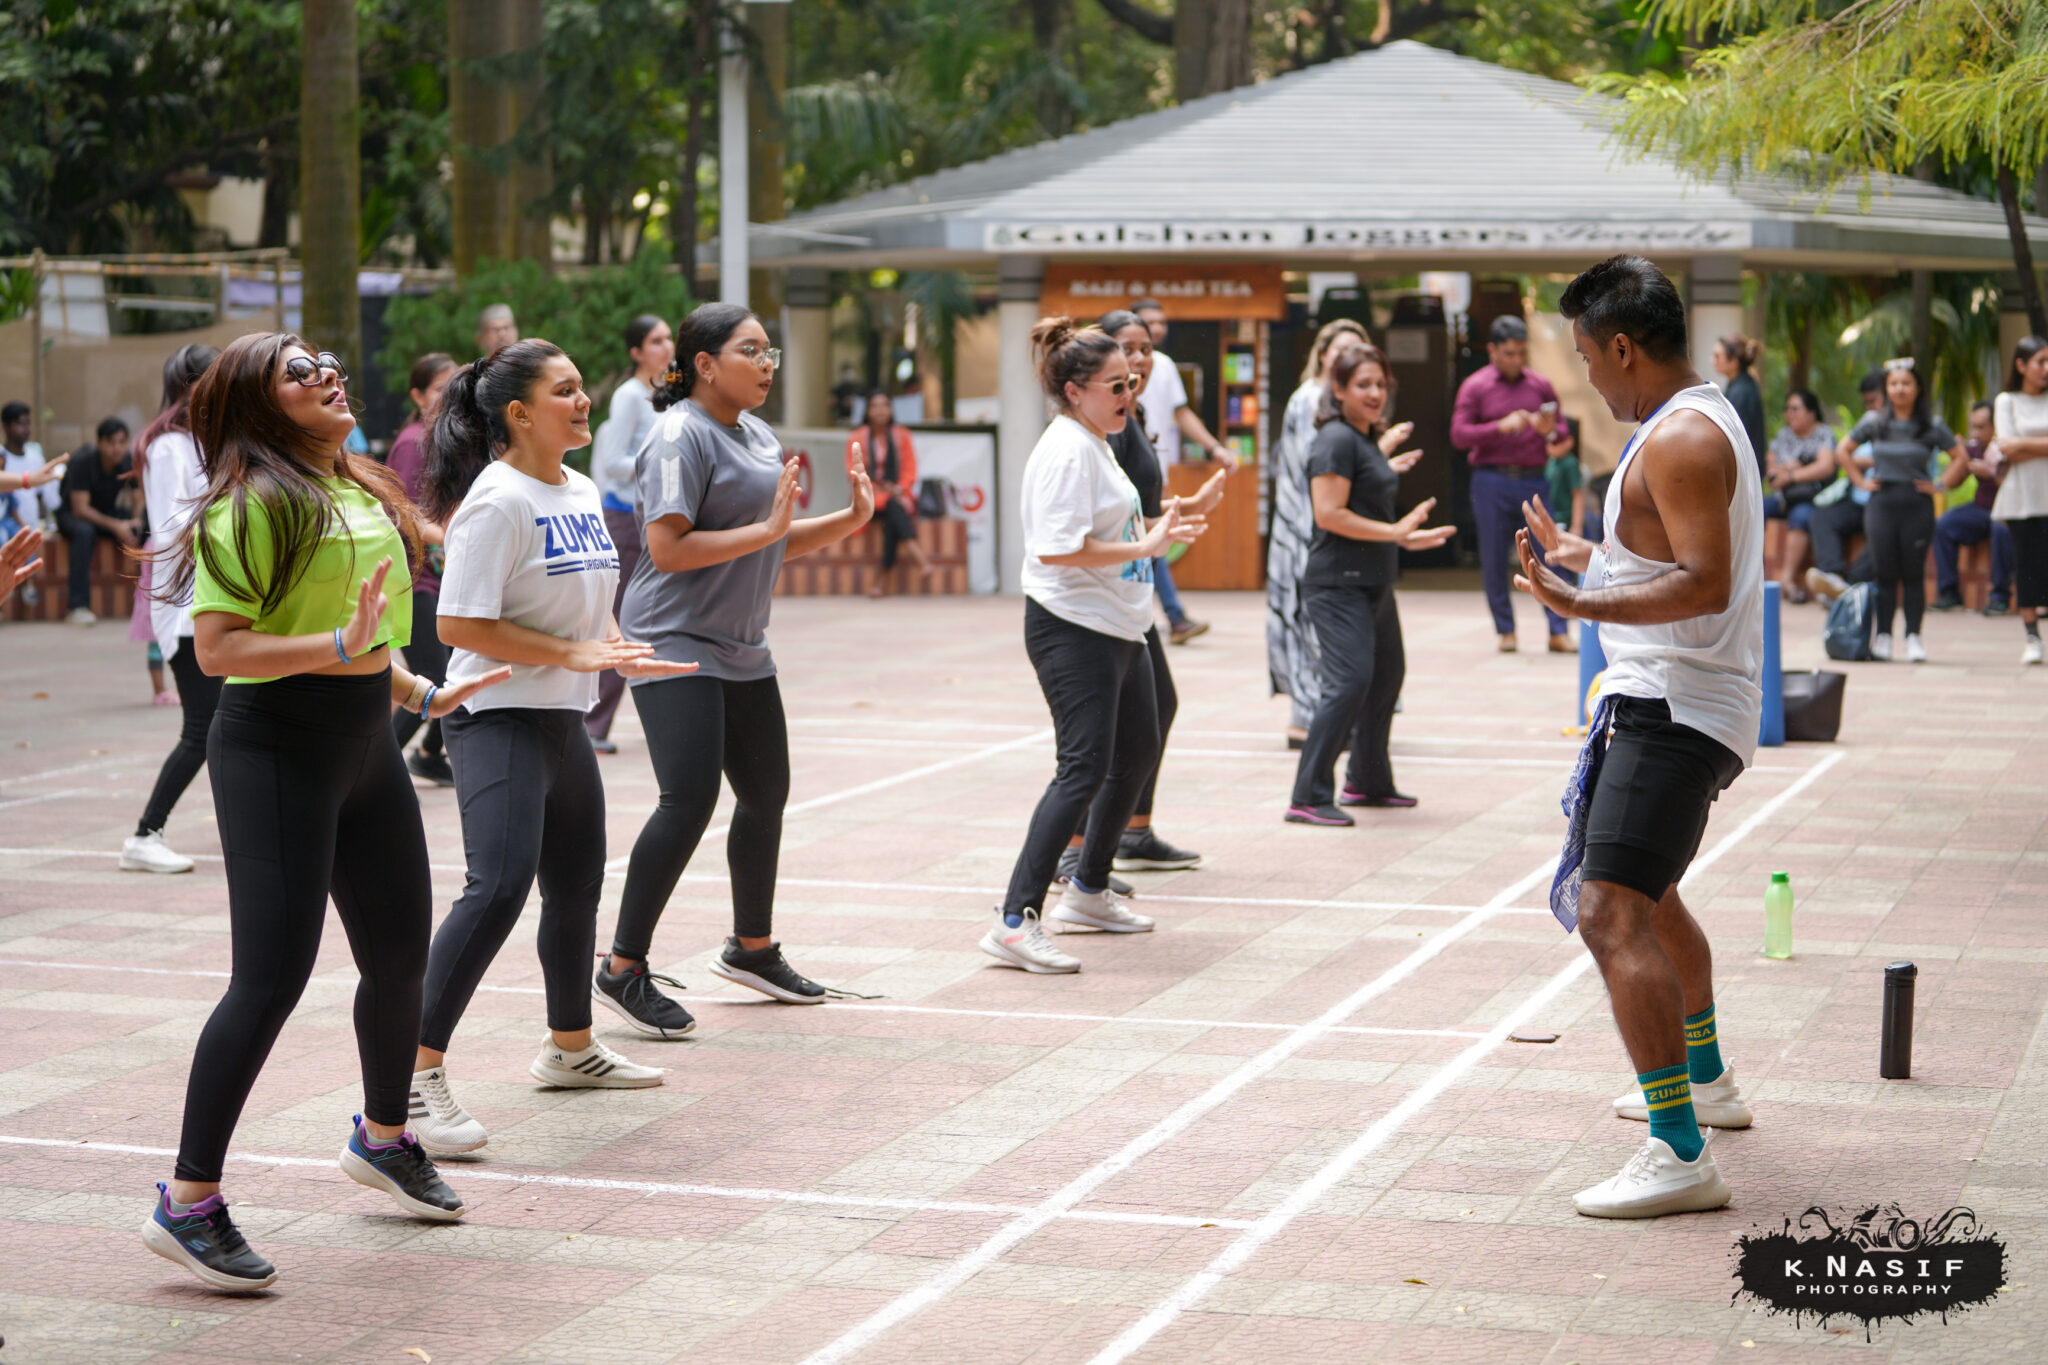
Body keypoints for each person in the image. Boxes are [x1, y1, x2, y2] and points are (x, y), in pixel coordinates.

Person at [139, 333, 508, 1293]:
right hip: (275, 748)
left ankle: (384, 1135)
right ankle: (188, 1200)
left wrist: (418, 690)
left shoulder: (358, 485)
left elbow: (363, 629)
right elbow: (220, 650)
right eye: (298, 372)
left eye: (329, 362)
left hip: (365, 743)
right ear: (261, 405)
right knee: (270, 978)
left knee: (400, 955)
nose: (326, 376)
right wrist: (338, 648)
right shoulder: (250, 504)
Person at [1511, 254, 1763, 1219]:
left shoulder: (1684, 435)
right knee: (1651, 899)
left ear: (1623, 347)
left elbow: (1703, 580)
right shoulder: (1691, 421)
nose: (1587, 376)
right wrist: (1599, 555)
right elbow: (1674, 552)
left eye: (1585, 357)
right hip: (1680, 700)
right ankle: (1707, 1081)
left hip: (1673, 705)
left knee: (1611, 912)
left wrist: (1581, 598)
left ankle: (1679, 1149)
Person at [401, 340, 694, 1156]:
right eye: (565, 390)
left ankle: (570, 1047)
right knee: (496, 889)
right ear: (519, 413)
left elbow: (589, 599)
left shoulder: (582, 487)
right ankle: (410, 1075)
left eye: (581, 387)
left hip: (560, 716)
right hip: (496, 717)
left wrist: (615, 646)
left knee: (575, 885)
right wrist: (571, 652)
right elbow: (458, 623)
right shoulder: (496, 501)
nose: (583, 400)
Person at [594, 303, 877, 1036]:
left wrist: (848, 520)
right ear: (705, 364)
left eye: (769, 350)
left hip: (742, 642)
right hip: (672, 636)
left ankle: (752, 949)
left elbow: (769, 540)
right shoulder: (677, 435)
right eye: (751, 350)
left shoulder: (757, 433)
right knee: (687, 801)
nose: (767, 362)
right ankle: (622, 967)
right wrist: (767, 530)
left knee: (765, 793)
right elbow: (667, 549)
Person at [978, 319, 1203, 975]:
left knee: (1138, 748)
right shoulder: (1067, 450)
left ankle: (1089, 891)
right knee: (1082, 767)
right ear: (1075, 391)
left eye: (1130, 382)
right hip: (1071, 626)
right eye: (1115, 384)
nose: (1129, 392)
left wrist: (1161, 528)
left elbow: (1113, 526)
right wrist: (1144, 545)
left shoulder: (1096, 442)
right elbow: (1056, 547)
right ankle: (1014, 920)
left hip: (1118, 623)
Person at [1079, 309, 1228, 877]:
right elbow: (1095, 523)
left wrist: (1189, 507)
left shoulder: (1131, 417)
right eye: (1129, 347)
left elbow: (1133, 506)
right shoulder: (1097, 428)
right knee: (1099, 733)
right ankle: (1076, 848)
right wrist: (1157, 530)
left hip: (1130, 593)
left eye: (1145, 348)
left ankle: (1133, 833)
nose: (1141, 358)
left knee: (1156, 708)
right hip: (1096, 598)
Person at [1285, 344, 1452, 826]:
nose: (1375, 392)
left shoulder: (1362, 439)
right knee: (1348, 683)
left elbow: (1363, 497)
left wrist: (1404, 538)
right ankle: (1308, 794)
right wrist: (1395, 532)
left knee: (1385, 678)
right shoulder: (1335, 439)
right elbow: (1328, 514)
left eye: (1381, 384)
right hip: (1337, 584)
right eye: (1363, 384)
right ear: (1338, 389)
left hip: (1373, 580)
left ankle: (1367, 781)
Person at [124, 344, 222, 875]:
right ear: (190, 384)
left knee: (226, 727)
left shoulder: (211, 443)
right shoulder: (168, 448)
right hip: (186, 606)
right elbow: (169, 531)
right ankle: (145, 834)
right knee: (203, 728)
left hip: (215, 601)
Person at [1268, 320, 1370, 749]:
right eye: (1341, 349)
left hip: (1310, 528)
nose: (1348, 358)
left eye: (1358, 350)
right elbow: (1323, 476)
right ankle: (1308, 719)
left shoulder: (1330, 400)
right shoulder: (1313, 399)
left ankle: (1313, 717)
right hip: (1307, 531)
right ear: (1323, 354)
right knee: (1309, 623)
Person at [1451, 315, 1574, 653]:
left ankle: (1558, 630)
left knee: (1549, 553)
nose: (1516, 360)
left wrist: (1547, 430)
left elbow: (1562, 431)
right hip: (1490, 479)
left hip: (1533, 479)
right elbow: (1458, 434)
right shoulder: (1475, 386)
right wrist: (1498, 427)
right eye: (1509, 353)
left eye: (1522, 352)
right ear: (1492, 350)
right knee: (1493, 556)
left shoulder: (1539, 385)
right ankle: (1505, 631)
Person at [1836, 358, 1964, 662]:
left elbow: (1960, 457)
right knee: (1884, 572)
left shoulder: (1932, 424)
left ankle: (1913, 637)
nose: (1900, 389)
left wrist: (1941, 485)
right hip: (1881, 503)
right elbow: (1843, 450)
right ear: (1886, 389)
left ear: (1918, 388)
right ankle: (1883, 637)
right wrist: (1860, 482)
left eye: (1906, 383)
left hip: (1917, 504)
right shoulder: (1873, 421)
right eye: (1894, 384)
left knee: (1913, 573)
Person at [586, 314, 674, 751]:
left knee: (663, 619)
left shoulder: (670, 394)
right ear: (636, 351)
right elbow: (613, 463)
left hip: (659, 519)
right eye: (656, 340)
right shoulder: (628, 397)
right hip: (625, 520)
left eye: (669, 338)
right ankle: (591, 724)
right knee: (618, 619)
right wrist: (659, 463)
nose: (667, 346)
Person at [1132, 298, 1230, 644]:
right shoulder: (1112, 368)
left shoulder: (1164, 366)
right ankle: (1172, 616)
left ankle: (1167, 617)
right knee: (1145, 535)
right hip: (1125, 466)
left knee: (1151, 535)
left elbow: (1181, 412)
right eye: (1149, 322)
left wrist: (1215, 448)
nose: (1158, 329)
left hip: (1153, 467)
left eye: (1162, 322)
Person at [386, 353, 459, 784]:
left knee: (454, 674)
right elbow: (399, 512)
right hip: (413, 579)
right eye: (438, 389)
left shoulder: (441, 439)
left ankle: (430, 753)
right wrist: (452, 536)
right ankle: (378, 763)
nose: (447, 397)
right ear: (417, 396)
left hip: (438, 576)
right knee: (432, 677)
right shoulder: (413, 441)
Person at [1991, 334, 2048, 665]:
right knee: (2026, 568)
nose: (2046, 368)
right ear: (2021, 365)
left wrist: (2024, 445)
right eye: (2041, 361)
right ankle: (2032, 637)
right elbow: (2007, 448)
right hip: (2021, 498)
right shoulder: (2007, 401)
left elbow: (2016, 445)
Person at [1805, 370, 1886, 600]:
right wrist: (1861, 477)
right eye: (1866, 403)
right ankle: (1832, 576)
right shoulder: (1868, 422)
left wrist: (1863, 461)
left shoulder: (1908, 424)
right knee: (1822, 518)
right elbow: (1841, 454)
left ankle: (1849, 588)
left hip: (1886, 504)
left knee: (1885, 532)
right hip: (1858, 500)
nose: (1870, 407)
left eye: (1874, 401)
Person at [848, 389, 935, 597]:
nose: (880, 411)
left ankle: (881, 582)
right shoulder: (857, 437)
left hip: (896, 496)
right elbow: (853, 471)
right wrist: (877, 489)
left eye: (885, 405)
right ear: (868, 411)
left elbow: (910, 470)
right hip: (869, 497)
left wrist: (896, 489)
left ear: (891, 409)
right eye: (875, 406)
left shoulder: (902, 435)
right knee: (893, 508)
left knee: (892, 516)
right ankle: (919, 558)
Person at [1931, 401, 2014, 613]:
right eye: (1973, 427)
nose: (1975, 433)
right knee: (1944, 525)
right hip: (1980, 510)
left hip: (2007, 510)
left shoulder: (2009, 446)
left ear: (1995, 426)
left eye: (1981, 427)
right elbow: (1951, 484)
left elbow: (2015, 486)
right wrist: (1960, 458)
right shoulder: (1974, 448)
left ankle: (2000, 598)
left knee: (2000, 530)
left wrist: (1991, 473)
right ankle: (1949, 593)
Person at [57, 417, 138, 623]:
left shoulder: (127, 461)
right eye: (111, 442)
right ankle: (77, 607)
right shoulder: (83, 462)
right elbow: (80, 509)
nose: (117, 448)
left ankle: (146, 603)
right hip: (72, 516)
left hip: (104, 514)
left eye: (122, 442)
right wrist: (117, 526)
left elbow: (139, 497)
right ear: (100, 443)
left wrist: (136, 521)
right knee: (84, 532)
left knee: (145, 528)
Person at [1760, 389, 1837, 602]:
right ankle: (1754, 575)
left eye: (1795, 409)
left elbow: (1825, 466)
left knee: (1801, 518)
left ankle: (1787, 581)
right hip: (1783, 497)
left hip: (1811, 498)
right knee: (1754, 509)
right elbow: (1772, 471)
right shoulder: (1784, 435)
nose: (1789, 414)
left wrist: (1791, 475)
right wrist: (1794, 467)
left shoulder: (1823, 433)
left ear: (1811, 412)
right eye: (1787, 409)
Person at [1712, 334, 1768, 477]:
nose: (1713, 360)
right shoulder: (1740, 385)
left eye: (1717, 356)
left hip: (1745, 470)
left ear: (1734, 362)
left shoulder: (1742, 391)